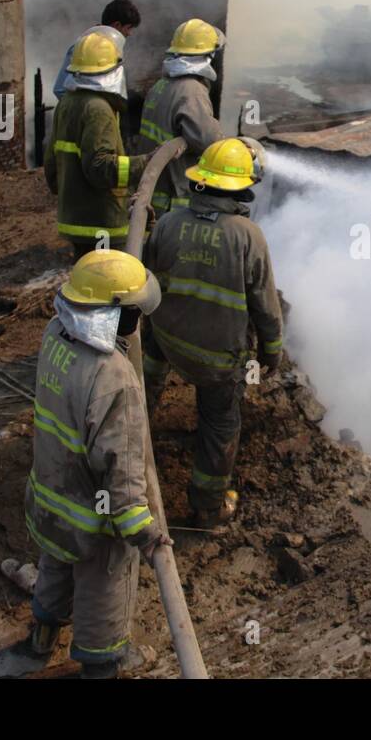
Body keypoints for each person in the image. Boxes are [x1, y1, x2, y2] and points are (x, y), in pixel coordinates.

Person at [25, 249, 171, 679]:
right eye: (132, 311)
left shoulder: (55, 333)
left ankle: (42, 636)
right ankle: (101, 664)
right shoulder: (114, 377)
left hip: (50, 498)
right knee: (106, 588)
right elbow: (122, 473)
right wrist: (144, 534)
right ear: (113, 316)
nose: (137, 319)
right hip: (95, 515)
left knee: (55, 562)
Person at [143, 139, 283, 528]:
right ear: (240, 186)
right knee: (219, 424)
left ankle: (132, 451)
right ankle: (207, 506)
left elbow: (146, 279)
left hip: (167, 339)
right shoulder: (247, 236)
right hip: (217, 361)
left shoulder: (169, 221)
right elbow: (266, 307)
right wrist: (271, 352)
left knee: (143, 389)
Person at [44, 31, 148, 259]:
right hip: (103, 221)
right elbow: (101, 169)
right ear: (113, 70)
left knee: (87, 283)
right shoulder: (98, 108)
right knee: (110, 286)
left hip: (75, 220)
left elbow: (51, 161)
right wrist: (146, 164)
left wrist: (67, 194)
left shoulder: (67, 103)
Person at [138, 19, 227, 213]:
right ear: (207, 55)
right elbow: (209, 143)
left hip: (153, 193)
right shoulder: (191, 90)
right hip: (175, 198)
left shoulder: (161, 85)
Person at [52, 0, 142, 101]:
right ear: (117, 25)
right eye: (129, 28)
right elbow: (60, 89)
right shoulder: (85, 48)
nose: (129, 33)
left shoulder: (112, 48)